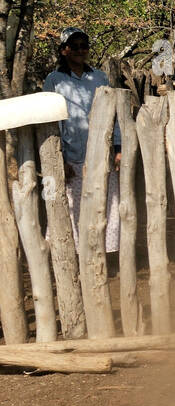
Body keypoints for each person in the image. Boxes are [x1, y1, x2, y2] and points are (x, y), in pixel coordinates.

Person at [43, 27, 121, 254]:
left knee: (104, 206)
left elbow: (112, 115)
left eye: (83, 46)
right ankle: (77, 257)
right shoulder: (55, 80)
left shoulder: (98, 77)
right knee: (72, 208)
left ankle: (103, 257)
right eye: (73, 46)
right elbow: (52, 121)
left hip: (100, 154)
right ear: (63, 50)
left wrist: (117, 148)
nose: (79, 50)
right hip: (72, 156)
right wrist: (59, 159)